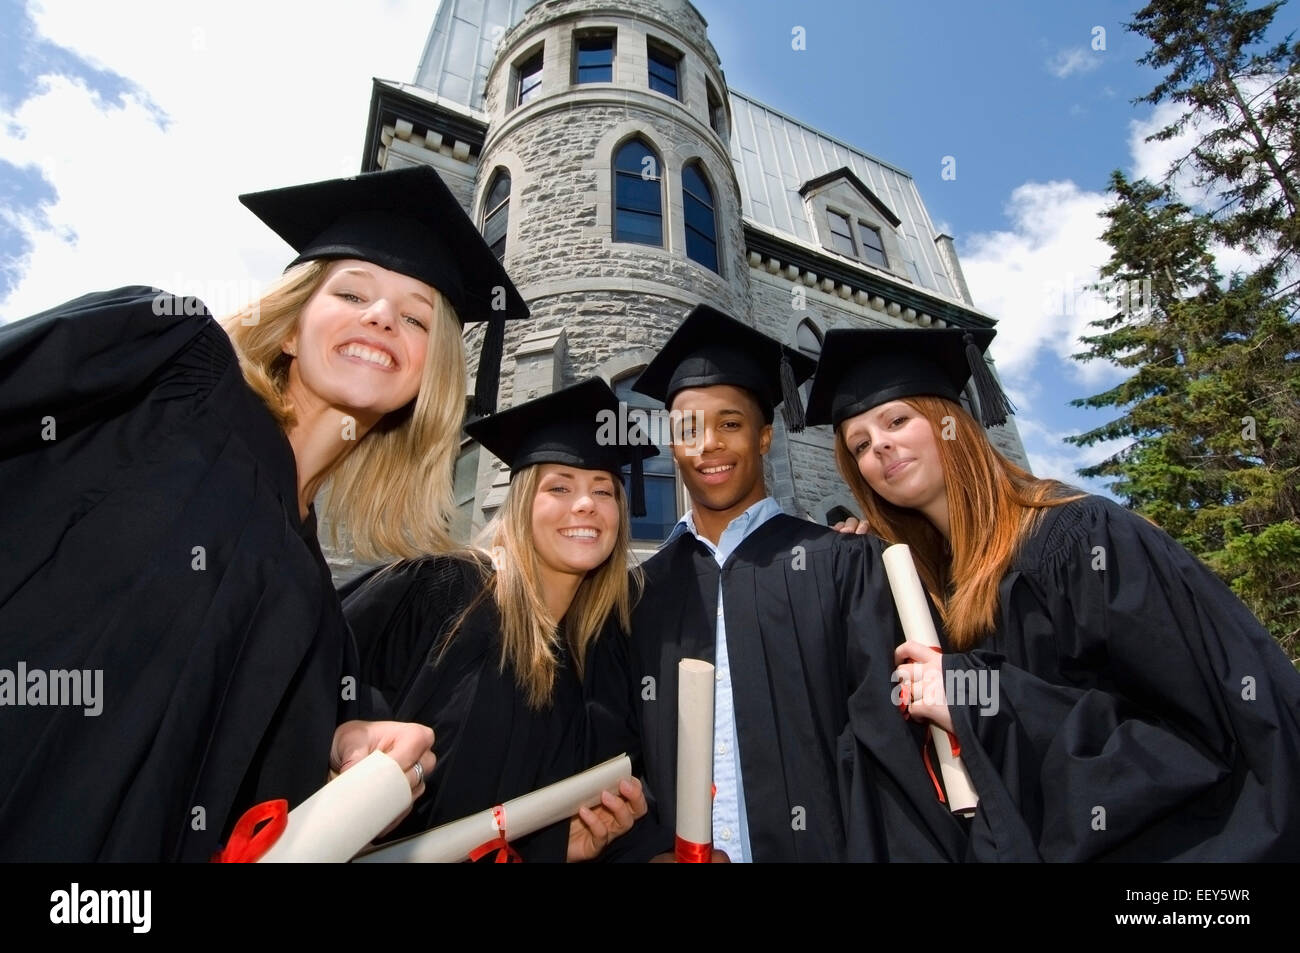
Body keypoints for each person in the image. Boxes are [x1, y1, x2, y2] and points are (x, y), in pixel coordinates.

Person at [0, 165, 529, 861]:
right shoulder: (172, 369)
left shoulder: (318, 618)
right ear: (289, 327)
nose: (381, 318)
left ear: (427, 376)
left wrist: (346, 747)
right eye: (352, 292)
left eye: (416, 317)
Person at [808, 325, 1300, 861]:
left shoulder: (1083, 537)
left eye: (897, 420)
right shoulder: (927, 596)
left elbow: (1199, 738)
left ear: (951, 424)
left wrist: (976, 696)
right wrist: (860, 579)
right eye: (859, 445)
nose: (878, 444)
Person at [593, 305, 967, 863]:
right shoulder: (632, 595)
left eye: (730, 423)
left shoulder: (844, 564)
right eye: (688, 428)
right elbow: (614, 755)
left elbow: (892, 743)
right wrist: (650, 851)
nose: (709, 444)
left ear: (765, 436)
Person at [342, 378, 653, 861]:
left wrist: (559, 845)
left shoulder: (592, 660)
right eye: (560, 486)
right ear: (522, 500)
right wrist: (343, 739)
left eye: (604, 490)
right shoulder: (444, 591)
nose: (587, 503)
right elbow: (303, 685)